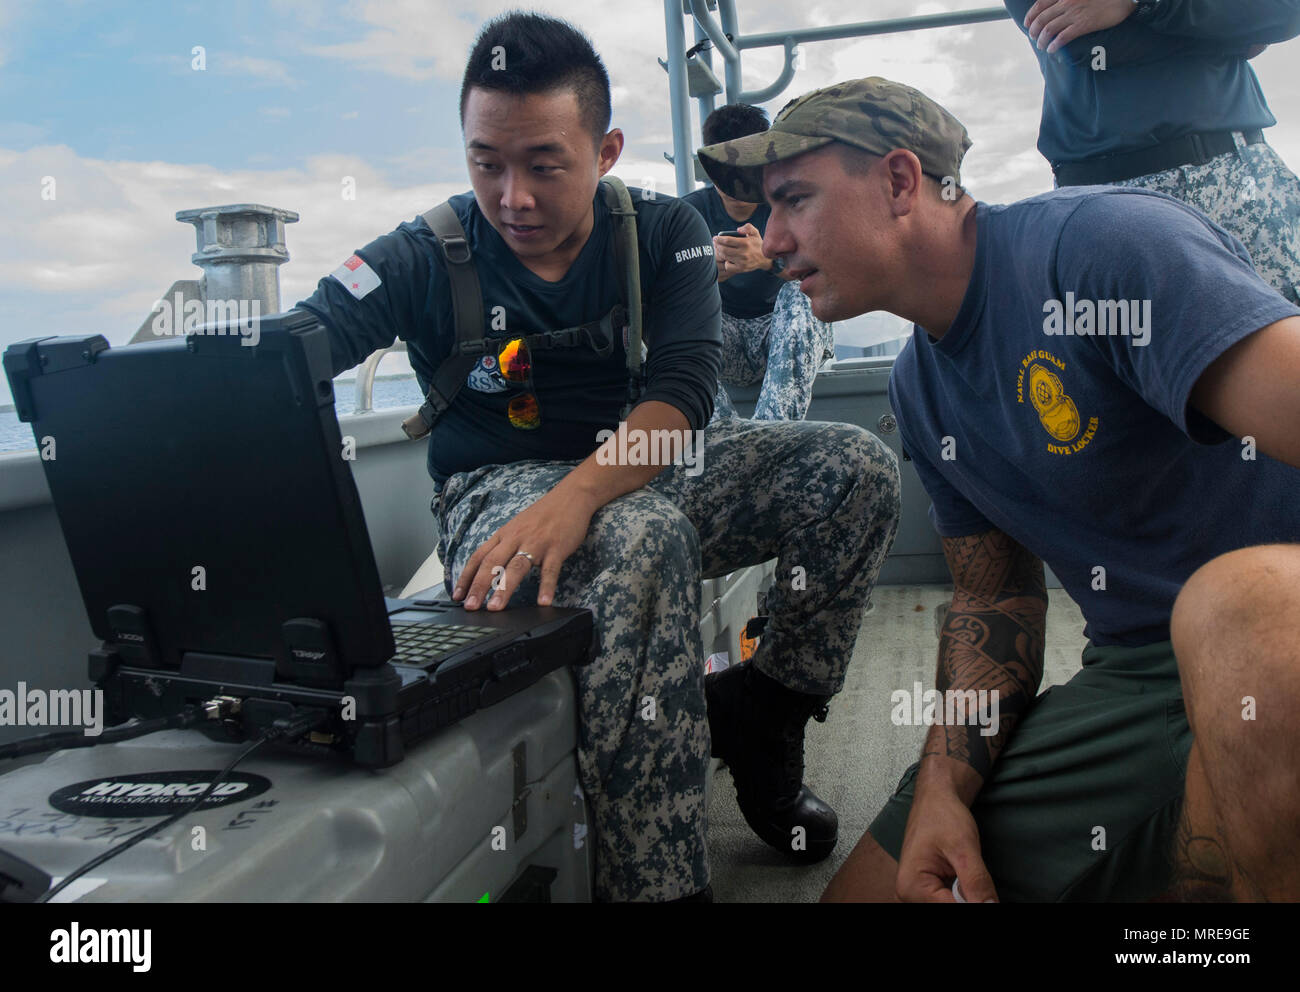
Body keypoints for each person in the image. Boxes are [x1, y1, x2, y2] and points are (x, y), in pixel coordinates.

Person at [293, 15, 901, 902]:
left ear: (606, 150)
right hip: (497, 492)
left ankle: (763, 713)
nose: (513, 197)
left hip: (646, 465)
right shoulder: (423, 253)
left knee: (855, 469)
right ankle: (661, 888)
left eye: (544, 165)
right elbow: (292, 350)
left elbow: (686, 390)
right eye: (486, 164)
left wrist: (578, 495)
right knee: (642, 538)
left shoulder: (663, 231)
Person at [698, 76, 1300, 902]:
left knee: (1243, 606)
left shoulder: (1099, 248)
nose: (771, 240)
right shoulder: (919, 390)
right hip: (1138, 675)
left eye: (793, 199)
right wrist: (944, 790)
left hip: (1273, 642)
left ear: (901, 181)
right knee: (874, 892)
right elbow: (998, 603)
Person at [1005, 0, 1300, 302]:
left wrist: (1138, 3)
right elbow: (1088, 47)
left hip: (1242, 181)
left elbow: (1285, 11)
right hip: (1113, 204)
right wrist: (1233, 35)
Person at [683, 104, 834, 421]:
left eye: (743, 167)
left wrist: (767, 260)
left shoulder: (792, 206)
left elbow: (830, 276)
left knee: (801, 296)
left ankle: (772, 433)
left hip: (782, 338)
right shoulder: (686, 216)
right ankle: (724, 434)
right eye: (724, 169)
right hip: (721, 344)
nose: (734, 181)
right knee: (669, 305)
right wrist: (702, 274)